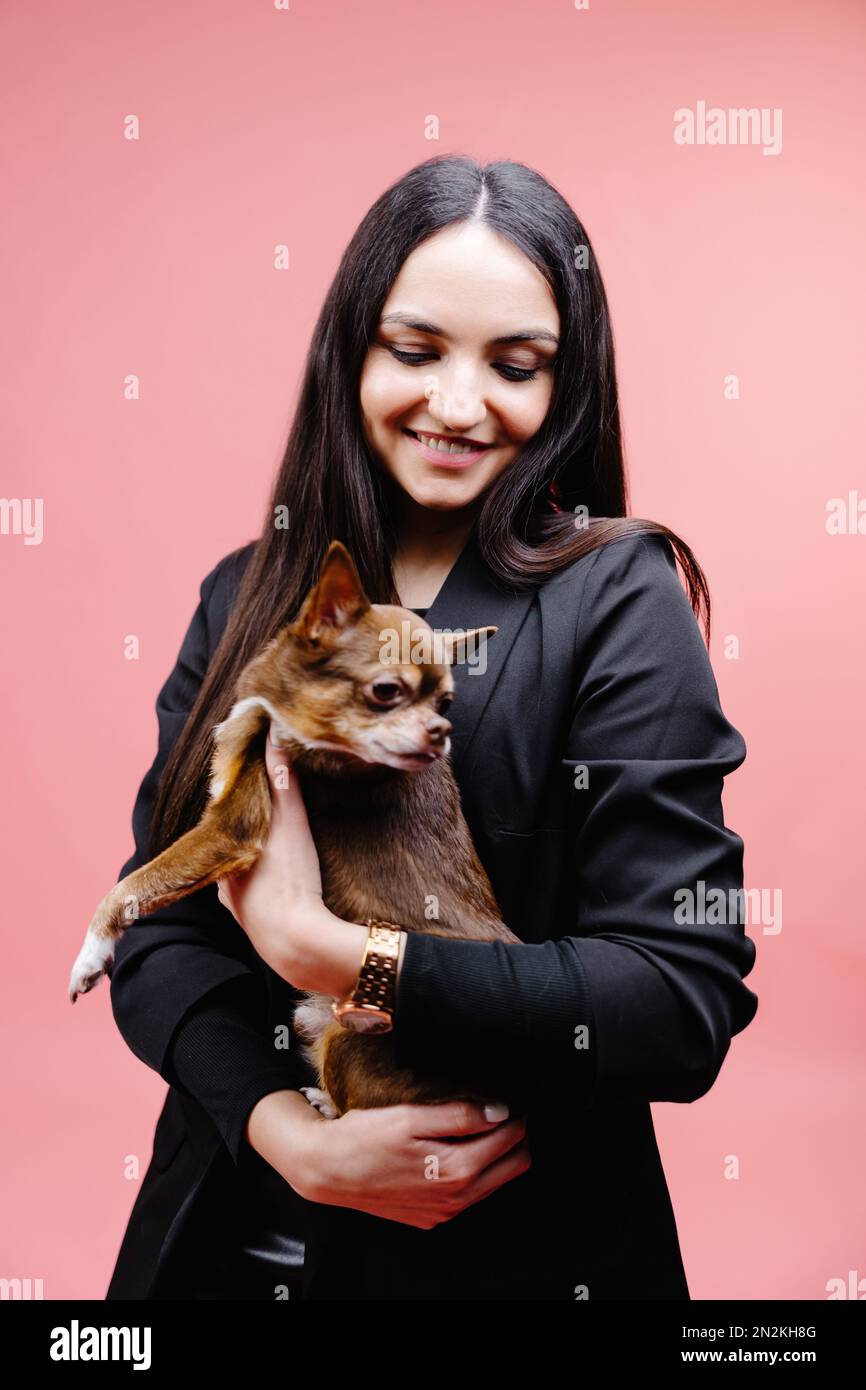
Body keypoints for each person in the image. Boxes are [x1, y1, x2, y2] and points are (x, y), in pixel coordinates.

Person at [105, 155, 758, 1302]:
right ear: (350, 351)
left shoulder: (618, 598)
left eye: (515, 366)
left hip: (513, 1270)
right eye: (413, 351)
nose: (458, 406)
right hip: (220, 1253)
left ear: (568, 385)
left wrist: (342, 958)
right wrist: (286, 1137)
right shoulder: (245, 597)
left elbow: (676, 997)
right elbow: (159, 931)